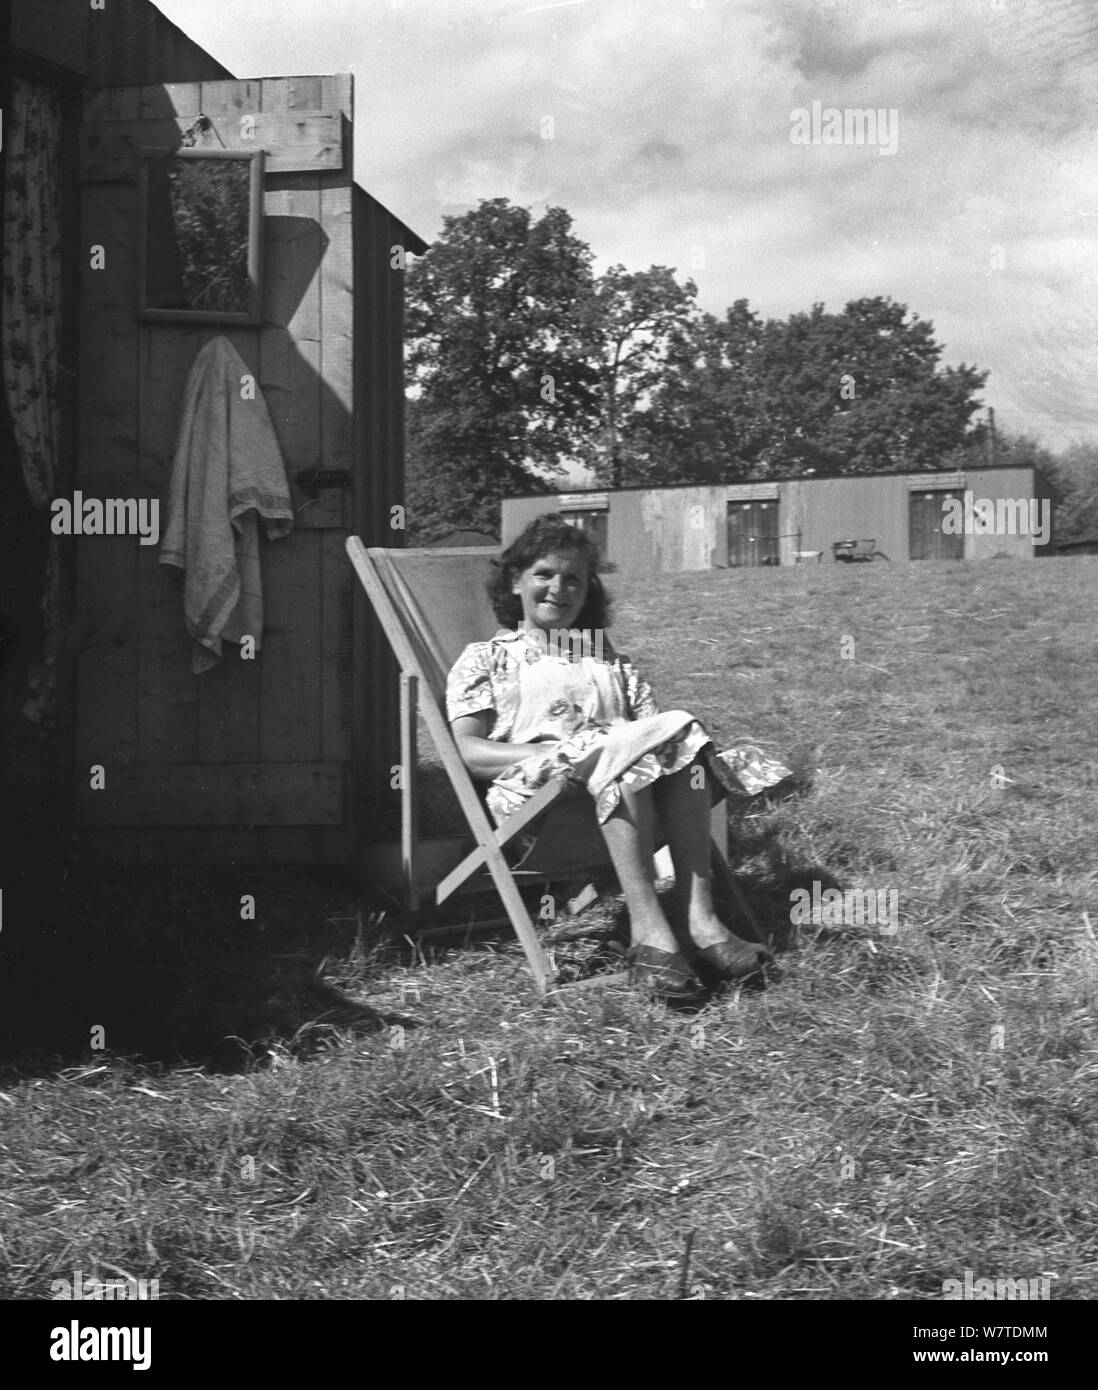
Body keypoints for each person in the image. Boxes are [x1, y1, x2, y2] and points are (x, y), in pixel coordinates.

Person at [446, 514, 792, 1003]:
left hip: (630, 803)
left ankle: (701, 921)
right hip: (542, 809)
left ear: (588, 592)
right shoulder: (486, 657)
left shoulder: (610, 663)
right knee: (634, 749)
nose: (558, 589)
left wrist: (613, 745)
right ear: (515, 580)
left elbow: (661, 744)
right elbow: (468, 752)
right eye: (544, 574)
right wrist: (563, 752)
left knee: (668, 748)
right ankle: (651, 932)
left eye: (574, 579)